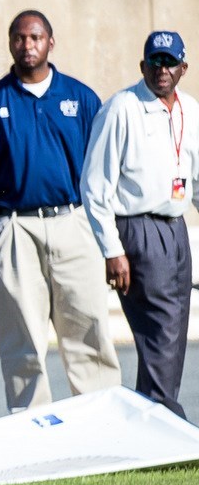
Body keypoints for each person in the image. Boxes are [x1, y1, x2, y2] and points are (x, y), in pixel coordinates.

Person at [0, 10, 121, 412]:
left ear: (51, 42)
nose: (27, 46)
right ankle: (30, 428)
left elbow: (101, 175)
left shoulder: (81, 99)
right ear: (10, 42)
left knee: (88, 327)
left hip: (73, 222)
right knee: (22, 337)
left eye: (35, 37)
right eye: (19, 38)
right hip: (14, 230)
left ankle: (101, 422)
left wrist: (111, 238)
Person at [81, 30, 199, 419]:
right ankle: (165, 417)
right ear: (142, 66)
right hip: (139, 230)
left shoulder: (190, 110)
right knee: (160, 330)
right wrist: (113, 250)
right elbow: (95, 187)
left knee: (173, 331)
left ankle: (151, 420)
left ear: (183, 67)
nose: (161, 69)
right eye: (154, 61)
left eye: (168, 62)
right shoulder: (122, 108)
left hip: (175, 228)